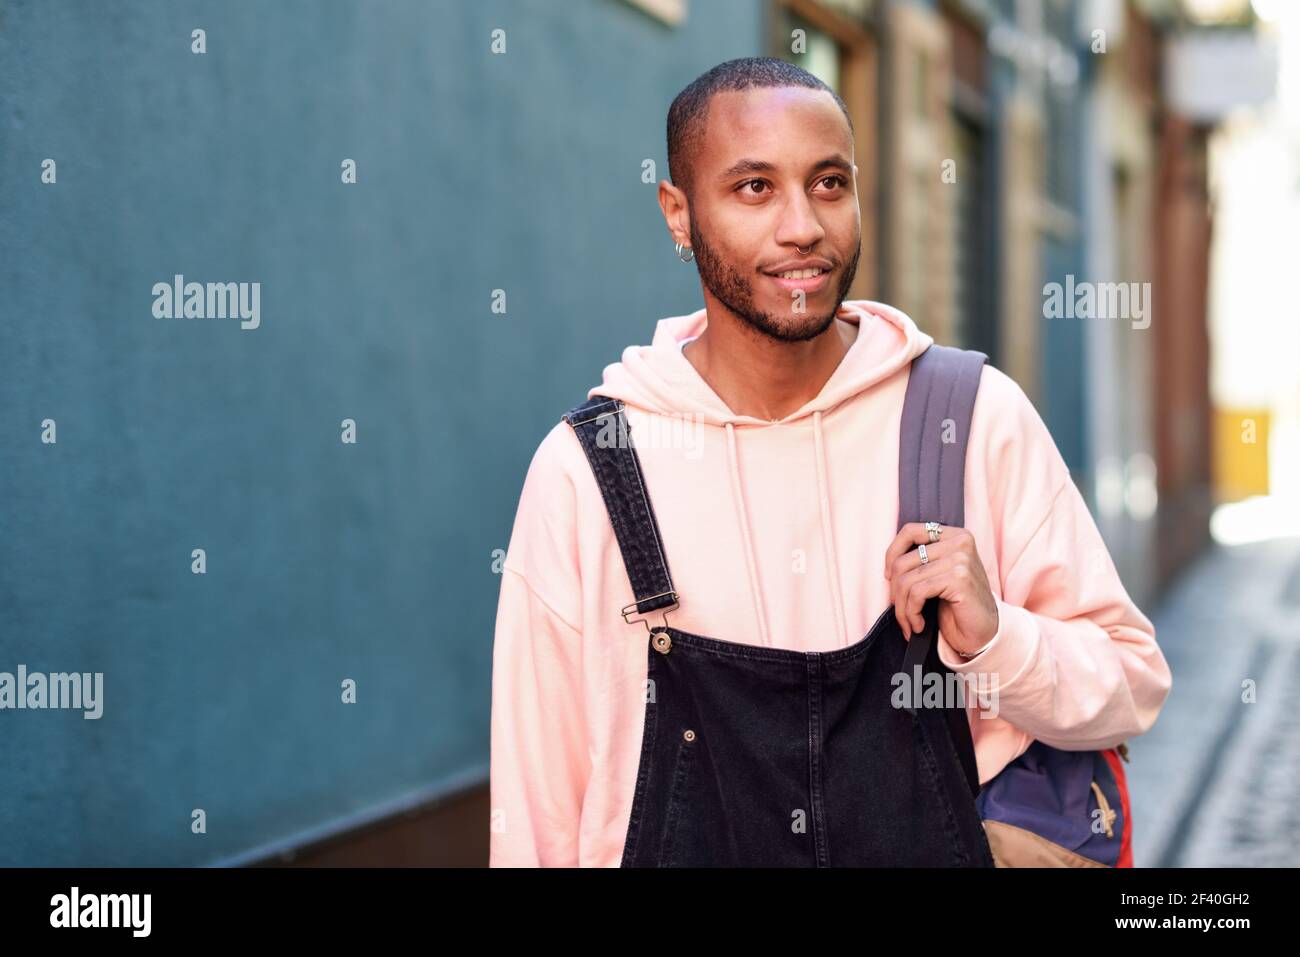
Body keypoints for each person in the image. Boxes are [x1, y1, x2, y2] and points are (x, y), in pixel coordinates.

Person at [488, 57, 1172, 867]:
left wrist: (997, 640)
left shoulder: (968, 417)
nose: (802, 226)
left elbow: (1131, 687)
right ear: (678, 213)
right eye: (753, 188)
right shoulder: (591, 473)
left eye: (829, 183)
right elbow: (537, 817)